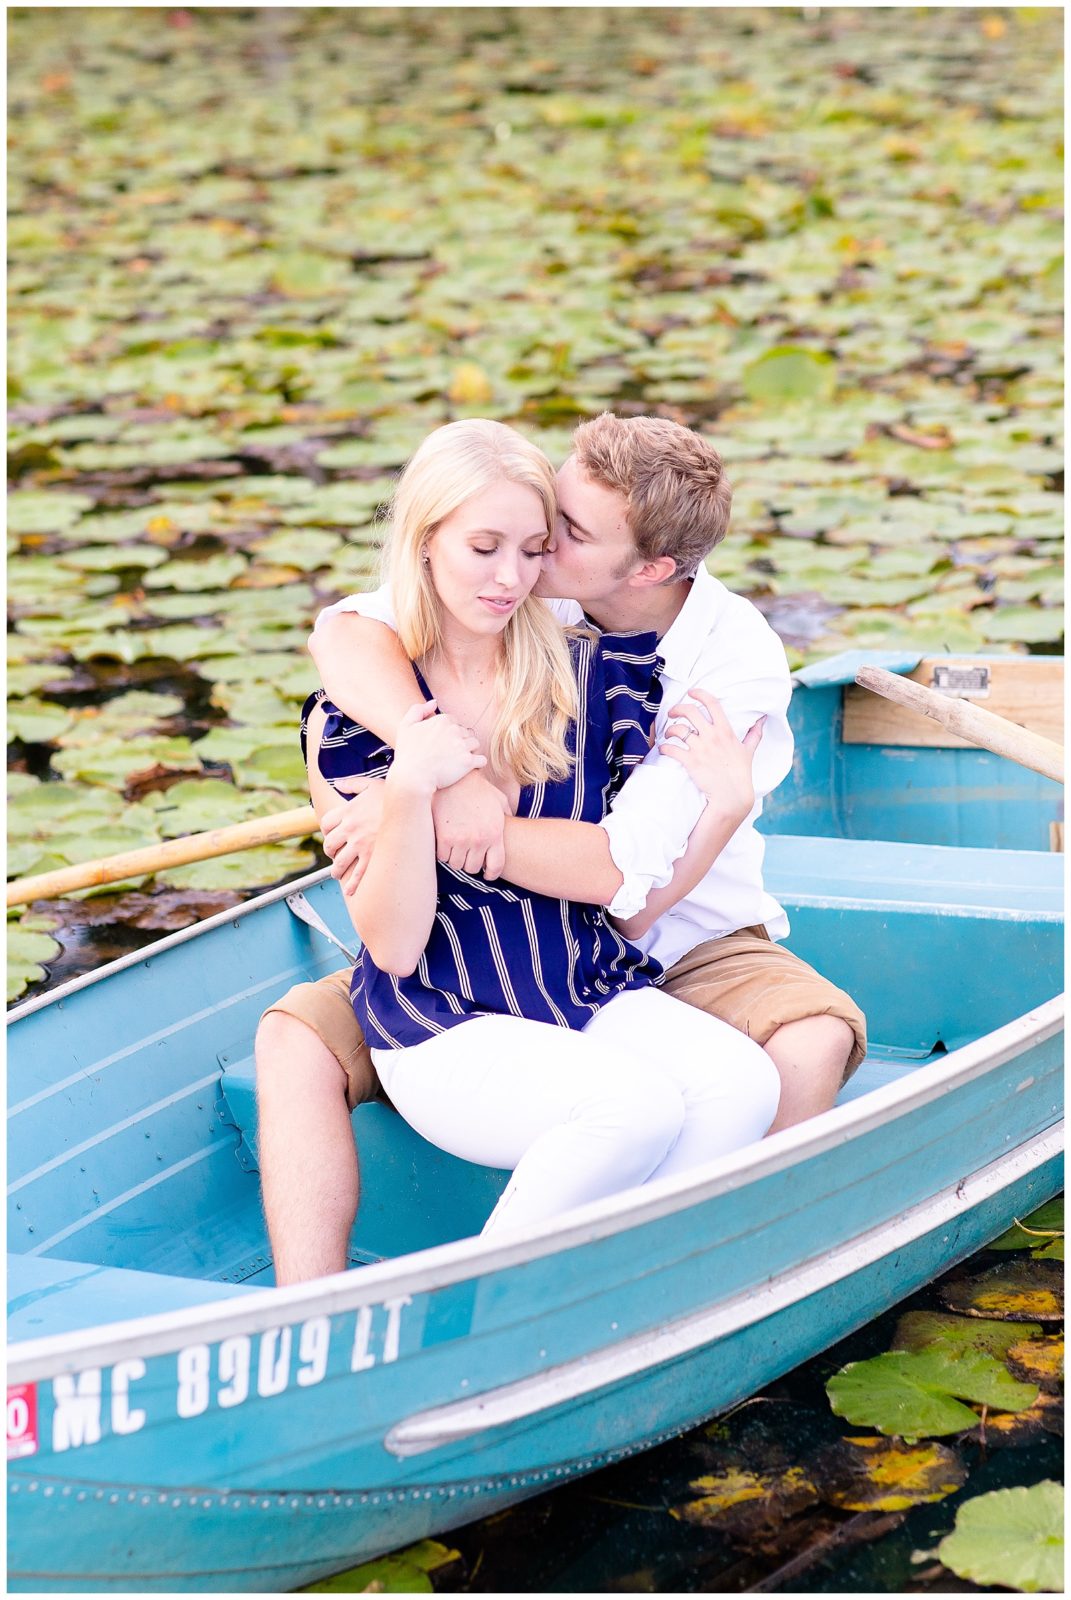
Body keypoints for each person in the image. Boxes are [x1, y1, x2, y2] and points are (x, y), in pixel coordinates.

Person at [269, 418, 780, 1276]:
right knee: (629, 1106)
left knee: (746, 1083)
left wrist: (449, 816)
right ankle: (478, 1322)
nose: (519, 575)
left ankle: (626, 1294)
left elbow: (620, 875)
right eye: (488, 547)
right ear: (426, 542)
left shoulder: (623, 673)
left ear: (645, 568)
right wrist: (413, 781)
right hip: (444, 1001)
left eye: (548, 542)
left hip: (611, 956)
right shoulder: (367, 703)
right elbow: (340, 631)